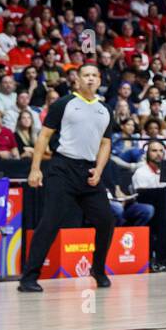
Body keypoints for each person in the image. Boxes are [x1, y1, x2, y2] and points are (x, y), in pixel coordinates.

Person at [18, 64, 117, 293]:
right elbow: (43, 136)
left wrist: (99, 170)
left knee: (106, 221)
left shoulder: (105, 109)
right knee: (50, 222)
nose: (90, 79)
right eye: (86, 75)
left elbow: (106, 143)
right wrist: (35, 169)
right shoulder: (64, 104)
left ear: (99, 80)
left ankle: (98, 269)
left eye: (94, 75)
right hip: (63, 168)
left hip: (90, 171)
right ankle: (28, 278)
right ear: (77, 80)